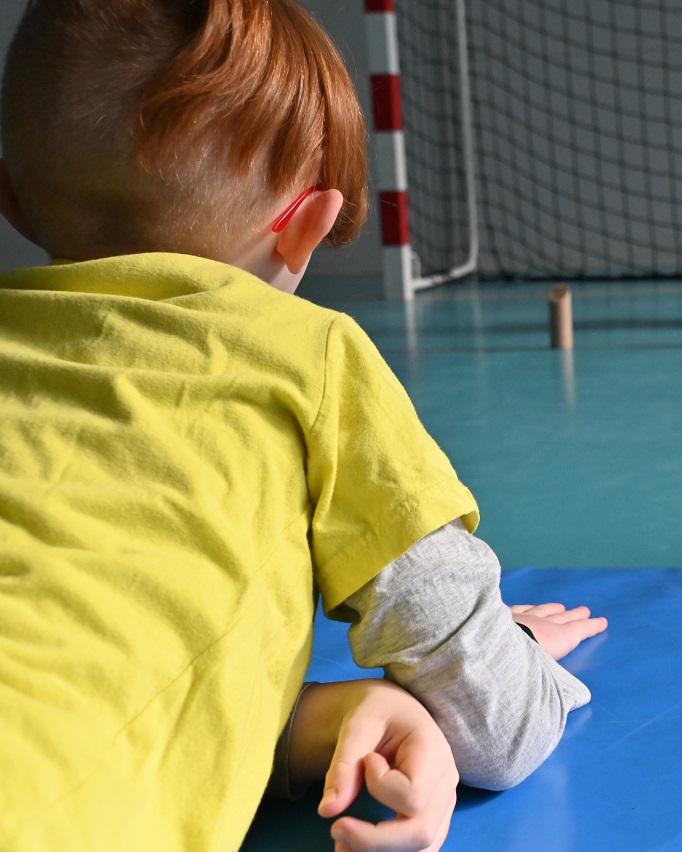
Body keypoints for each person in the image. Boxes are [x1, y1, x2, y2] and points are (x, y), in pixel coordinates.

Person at [0, 1, 606, 850]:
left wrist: (318, 722)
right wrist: (515, 655)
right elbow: (500, 730)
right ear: (310, 228)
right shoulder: (309, 354)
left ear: (12, 203)